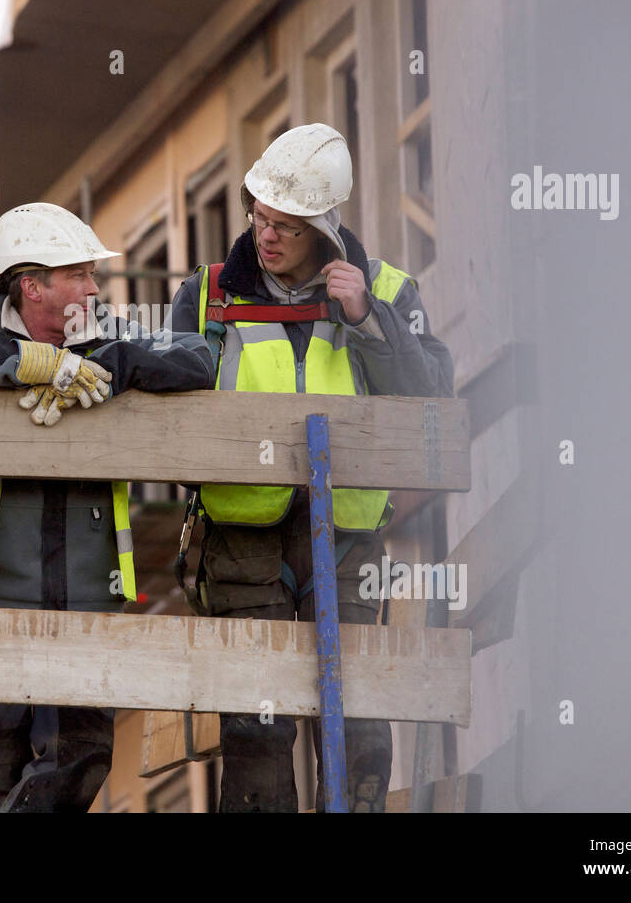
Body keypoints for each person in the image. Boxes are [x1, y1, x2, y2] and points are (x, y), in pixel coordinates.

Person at [168, 123, 455, 812]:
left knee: (360, 729)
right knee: (257, 735)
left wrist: (367, 319)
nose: (266, 236)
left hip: (349, 541)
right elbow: (171, 411)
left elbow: (432, 396)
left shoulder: (385, 290)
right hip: (242, 544)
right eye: (260, 218)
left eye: (286, 227)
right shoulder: (207, 296)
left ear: (324, 230)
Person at [0, 201, 216, 812]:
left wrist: (113, 364)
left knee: (86, 755)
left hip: (88, 596)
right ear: (32, 285)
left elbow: (199, 357)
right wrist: (23, 365)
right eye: (81, 274)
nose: (95, 288)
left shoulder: (110, 338)